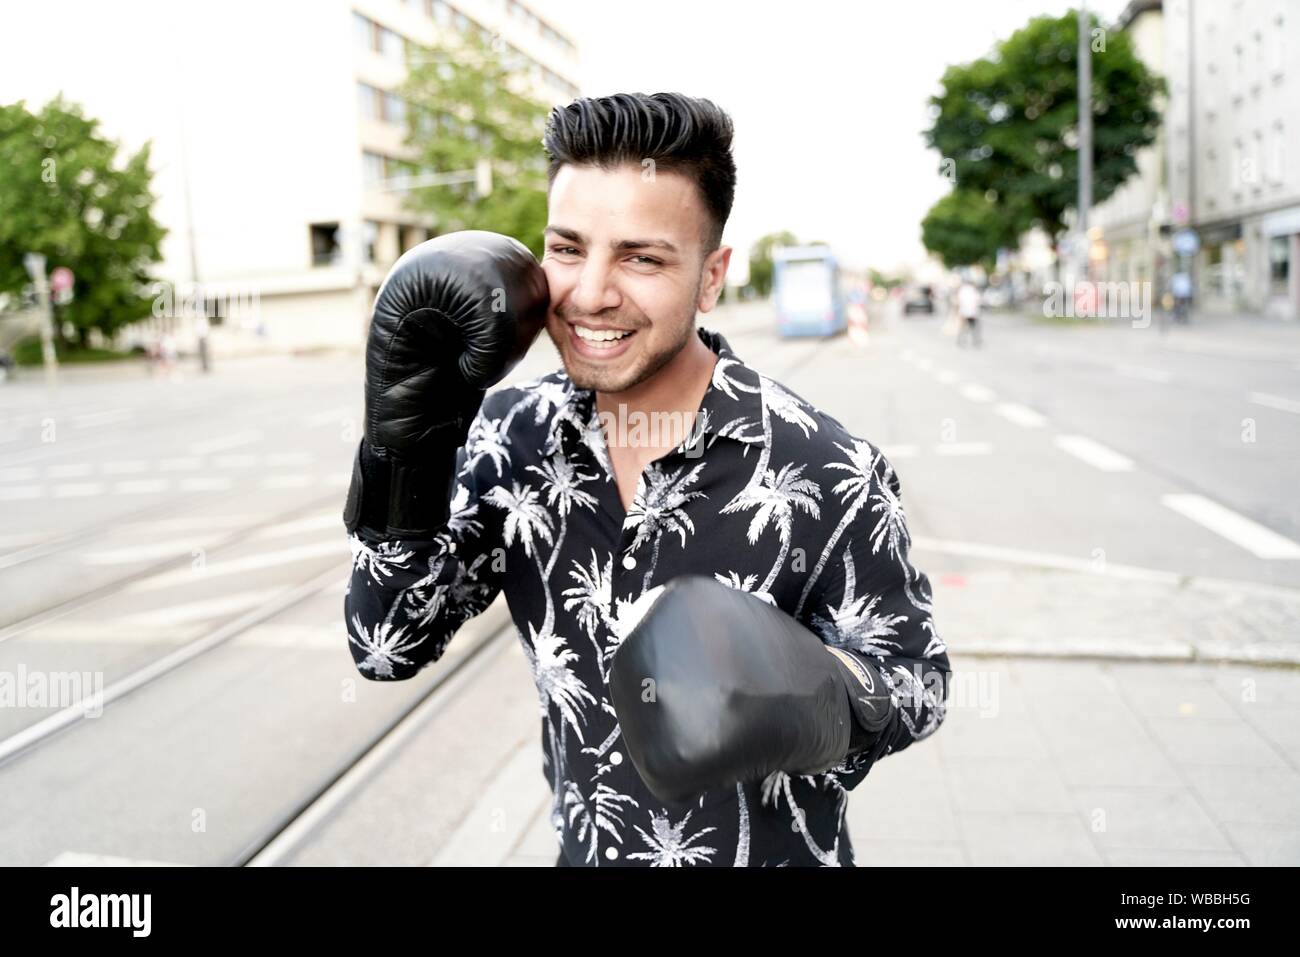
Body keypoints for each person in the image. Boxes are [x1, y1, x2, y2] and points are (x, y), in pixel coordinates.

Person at [342, 93, 951, 867]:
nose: (591, 293)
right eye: (567, 249)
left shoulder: (826, 470)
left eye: (641, 257)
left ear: (711, 276)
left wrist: (819, 692)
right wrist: (402, 447)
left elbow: (920, 682)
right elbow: (384, 643)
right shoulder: (510, 436)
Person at [956, 278, 982, 347]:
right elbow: (978, 301)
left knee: (963, 327)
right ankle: (975, 341)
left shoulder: (963, 290)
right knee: (973, 327)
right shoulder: (974, 290)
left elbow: (959, 301)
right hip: (972, 312)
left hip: (964, 311)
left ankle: (961, 340)